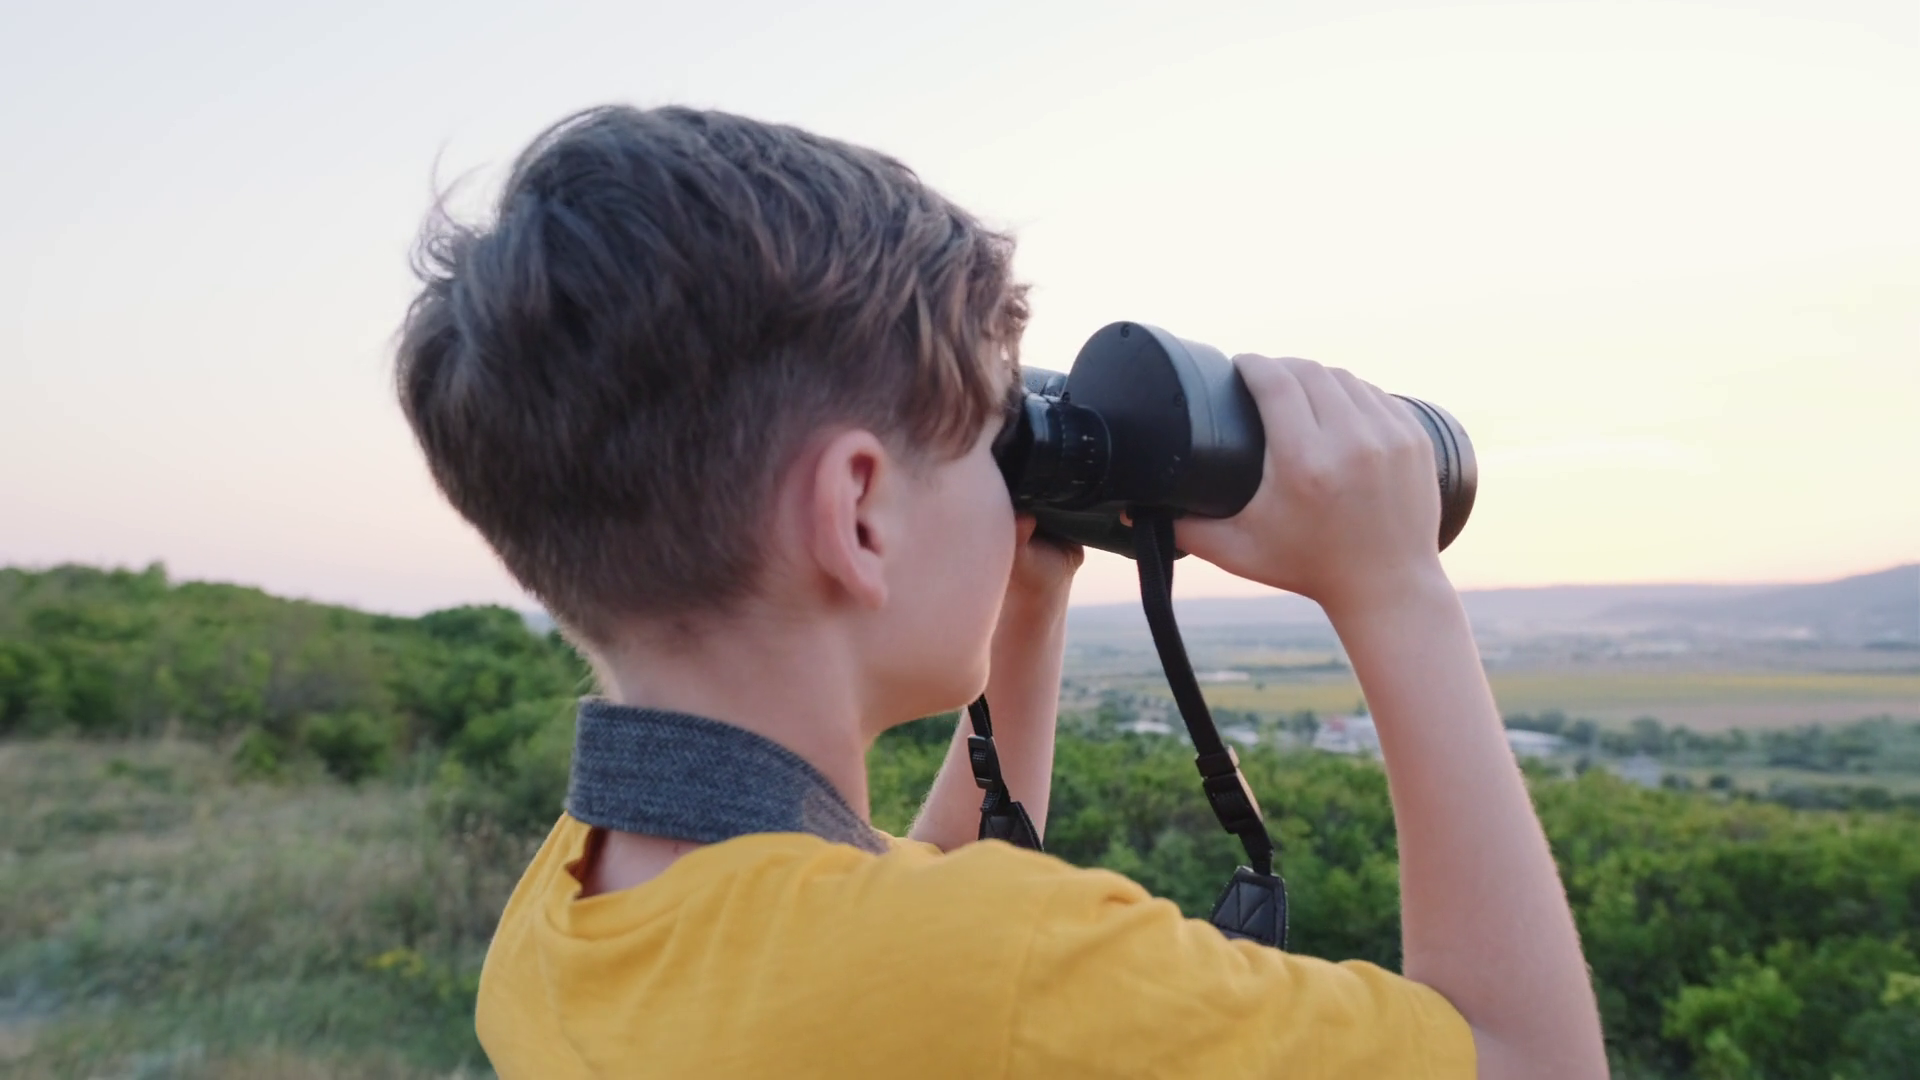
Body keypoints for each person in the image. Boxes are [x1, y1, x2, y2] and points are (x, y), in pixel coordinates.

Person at [394, 104, 1606, 1078]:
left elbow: (889, 898)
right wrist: (1395, 591)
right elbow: (1527, 1060)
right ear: (859, 515)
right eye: (987, 438)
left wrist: (1024, 601)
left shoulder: (574, 895)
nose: (1006, 475)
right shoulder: (1008, 968)